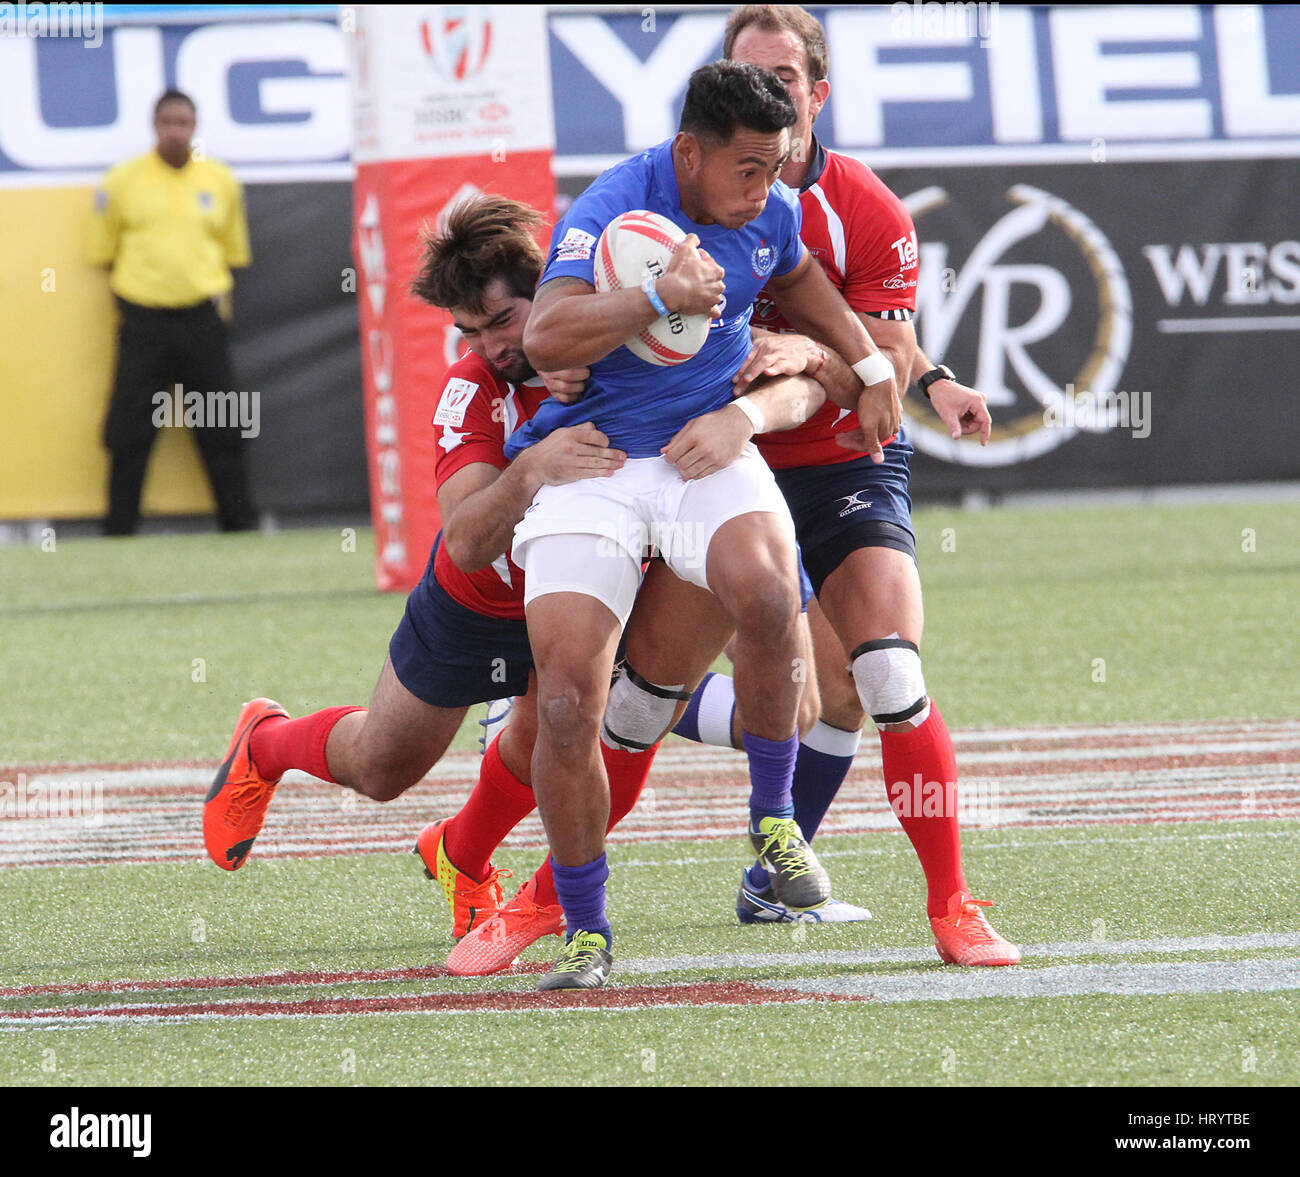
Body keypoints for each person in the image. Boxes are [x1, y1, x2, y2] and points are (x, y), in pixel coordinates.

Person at [505, 59, 904, 990]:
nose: (768, 187)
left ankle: (773, 824)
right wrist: (656, 299)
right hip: (594, 459)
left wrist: (872, 366)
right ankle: (588, 931)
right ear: (689, 152)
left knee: (768, 594)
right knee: (567, 701)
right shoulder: (612, 204)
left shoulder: (768, 208)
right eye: (750, 168)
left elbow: (803, 279)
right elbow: (543, 341)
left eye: (779, 166)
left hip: (703, 447)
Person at [665, 4, 1019, 966]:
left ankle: (949, 904)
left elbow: (890, 350)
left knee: (882, 677)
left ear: (818, 96)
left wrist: (875, 366)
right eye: (750, 77)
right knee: (633, 697)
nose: (769, 96)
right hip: (722, 468)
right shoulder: (673, 192)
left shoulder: (864, 205)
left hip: (841, 469)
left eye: (786, 80)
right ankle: (549, 896)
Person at [202, 196, 645, 941]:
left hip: (578, 599)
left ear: (553, 293)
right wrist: (532, 466)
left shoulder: (622, 351)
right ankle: (266, 740)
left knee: (576, 729)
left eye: (502, 321)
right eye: (468, 330)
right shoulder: (472, 389)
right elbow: (468, 539)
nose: (490, 345)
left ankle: (488, 867)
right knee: (380, 770)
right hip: (475, 605)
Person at [88, 90, 257, 536]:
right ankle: (118, 531)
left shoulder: (219, 181)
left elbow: (232, 254)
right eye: (167, 122)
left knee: (221, 422)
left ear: (195, 126)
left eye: (183, 122)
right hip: (143, 319)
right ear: (153, 125)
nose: (175, 131)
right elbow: (106, 252)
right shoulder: (122, 181)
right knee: (130, 427)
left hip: (202, 319)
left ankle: (239, 527)